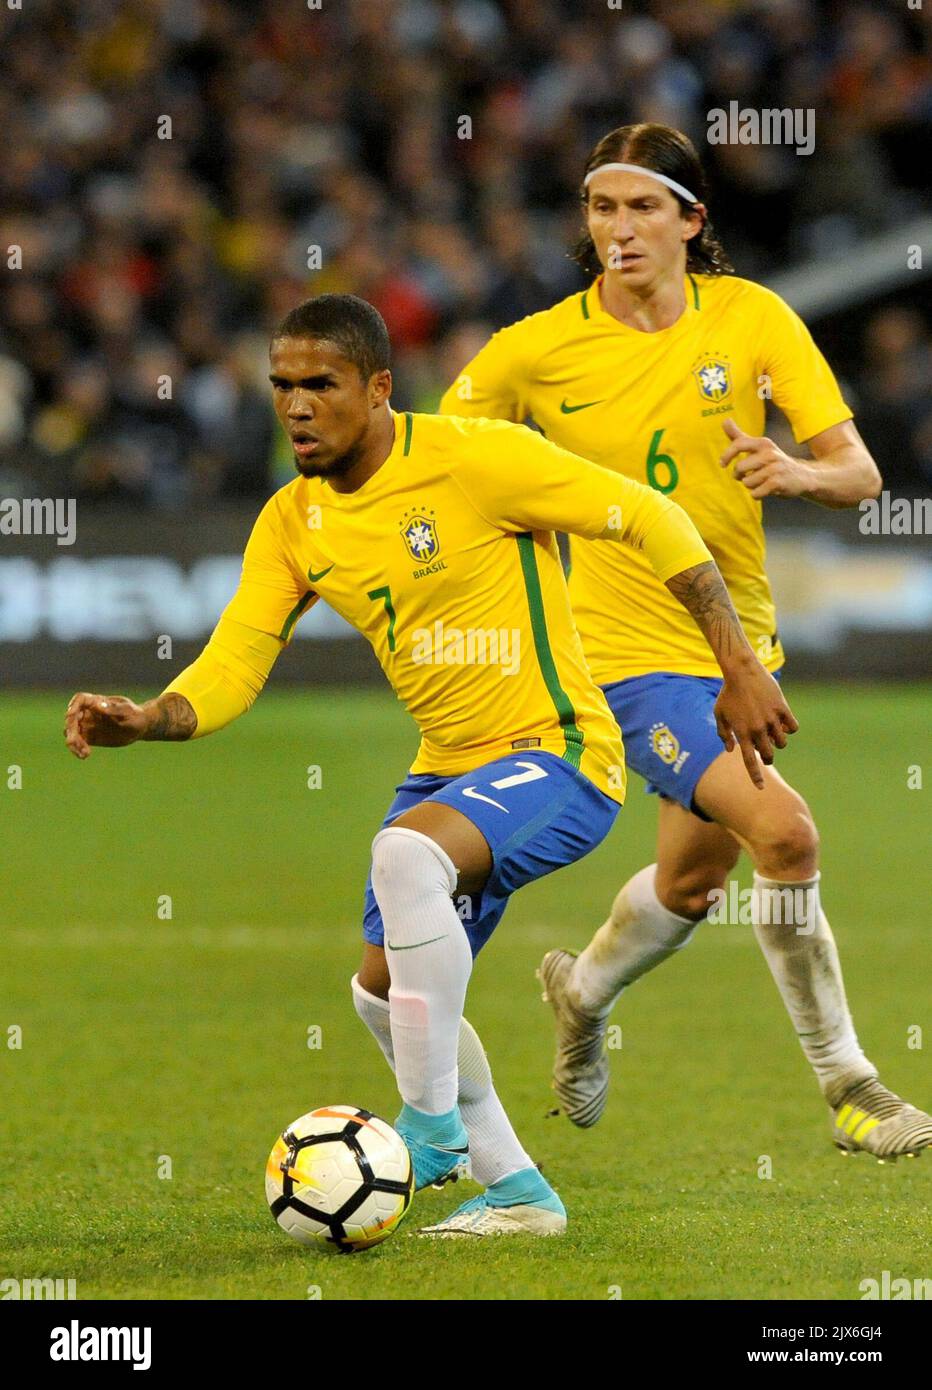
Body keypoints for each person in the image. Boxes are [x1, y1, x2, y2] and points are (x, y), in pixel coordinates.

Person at [64, 293, 796, 1238]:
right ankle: (522, 1197)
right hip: (449, 772)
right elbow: (237, 661)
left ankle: (431, 1129)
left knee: (405, 858)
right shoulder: (293, 522)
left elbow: (651, 517)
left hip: (562, 752)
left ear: (377, 389)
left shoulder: (474, 458)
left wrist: (735, 661)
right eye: (281, 385)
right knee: (382, 992)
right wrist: (149, 720)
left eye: (320, 385)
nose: (295, 406)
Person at [439, 123, 932, 1160]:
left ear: (689, 222)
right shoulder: (532, 349)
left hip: (737, 643)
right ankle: (850, 1087)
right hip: (616, 655)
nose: (617, 230)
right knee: (785, 834)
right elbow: (441, 463)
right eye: (600, 209)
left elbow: (859, 475)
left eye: (641, 208)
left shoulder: (749, 317)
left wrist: (792, 471)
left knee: (689, 885)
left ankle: (578, 991)